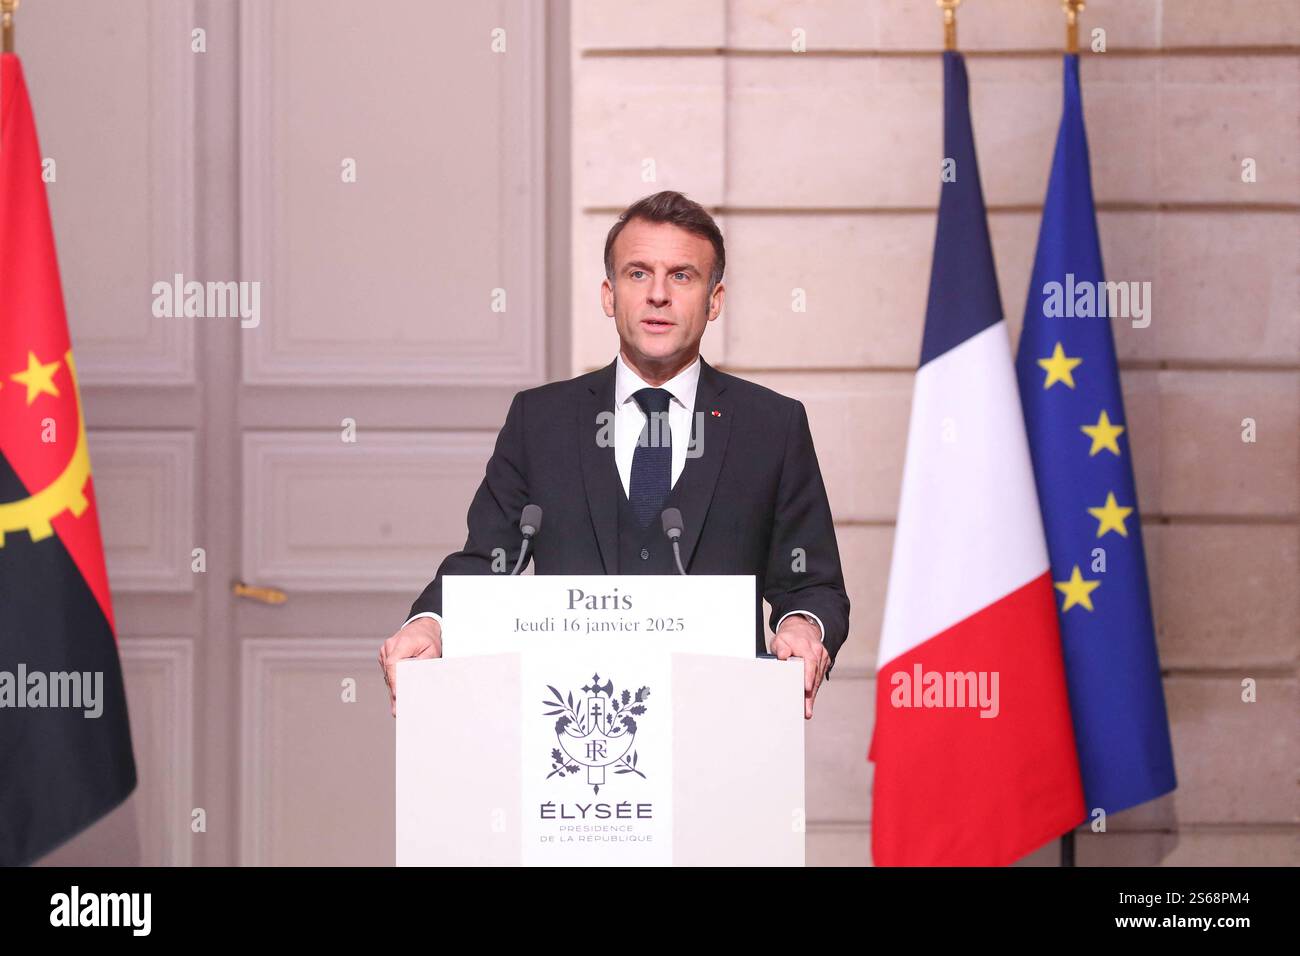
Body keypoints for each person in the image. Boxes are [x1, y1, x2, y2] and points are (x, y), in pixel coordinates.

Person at [379, 191, 849, 719]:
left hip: (721, 729)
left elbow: (811, 582)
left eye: (681, 276)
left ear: (714, 300)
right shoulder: (540, 421)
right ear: (609, 294)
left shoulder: (772, 426)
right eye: (637, 273)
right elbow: (487, 561)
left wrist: (803, 626)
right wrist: (431, 624)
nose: (657, 295)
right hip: (571, 734)